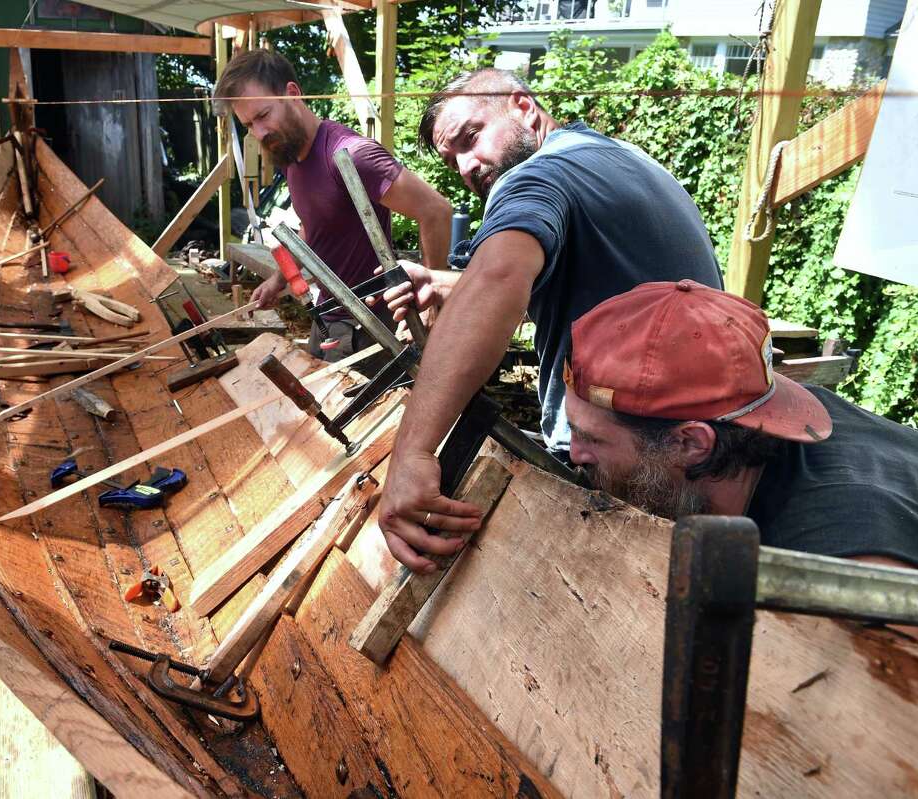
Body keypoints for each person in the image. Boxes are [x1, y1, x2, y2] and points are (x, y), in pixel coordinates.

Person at [375, 68, 722, 568]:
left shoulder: (532, 177)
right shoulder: (622, 159)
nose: (468, 166)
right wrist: (446, 281)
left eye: (471, 138)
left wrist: (413, 454)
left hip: (630, 471)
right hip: (704, 452)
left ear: (523, 106)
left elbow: (498, 280)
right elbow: (576, 280)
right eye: (454, 162)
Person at [564, 281, 918, 648]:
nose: (574, 453)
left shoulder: (842, 575)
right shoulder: (760, 413)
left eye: (591, 438)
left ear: (690, 443)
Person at [213, 49, 452, 364]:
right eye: (249, 125)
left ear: (293, 94)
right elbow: (311, 229)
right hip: (328, 315)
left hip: (369, 326)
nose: (259, 133)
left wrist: (433, 305)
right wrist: (279, 279)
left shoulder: (350, 154)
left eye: (263, 115)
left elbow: (436, 211)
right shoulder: (293, 155)